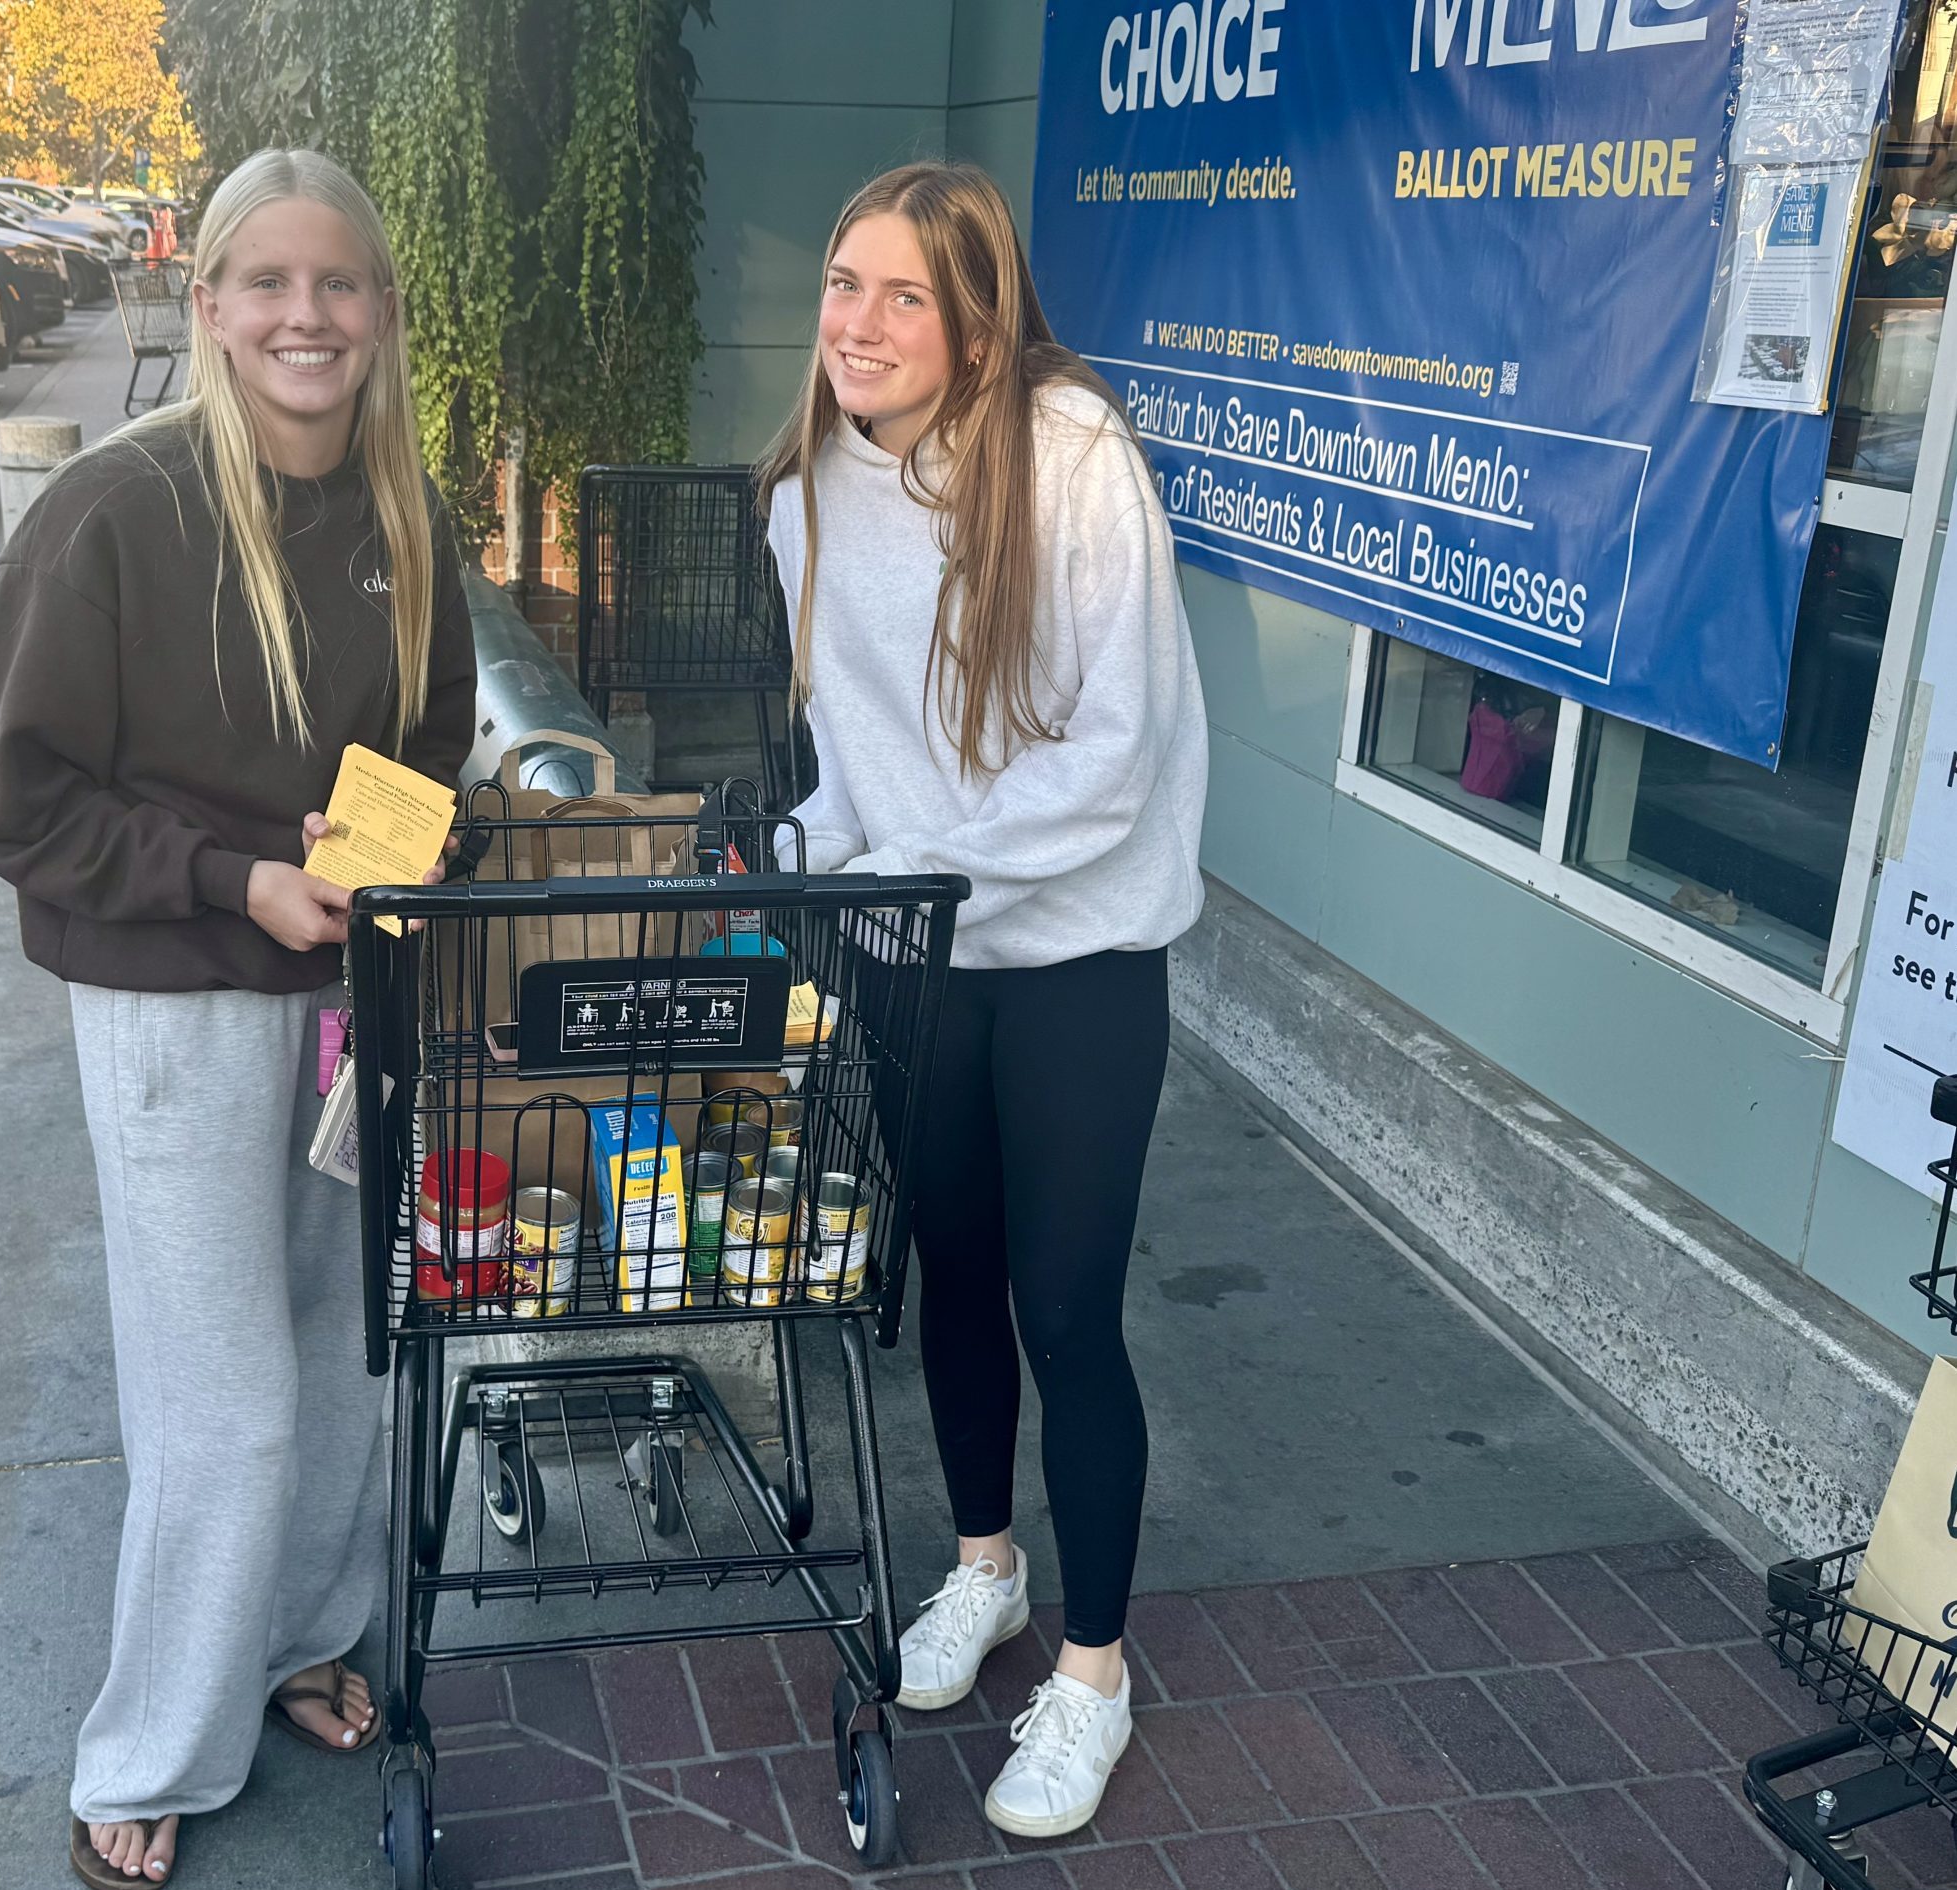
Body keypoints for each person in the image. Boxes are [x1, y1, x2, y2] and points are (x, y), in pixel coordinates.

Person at [0, 148, 476, 1888]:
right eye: (269, 284)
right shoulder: (115, 513)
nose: (305, 317)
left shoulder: (403, 518)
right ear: (208, 305)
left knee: (341, 1358)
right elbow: (19, 806)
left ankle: (300, 1648)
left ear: (381, 313)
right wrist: (231, 877)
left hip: (349, 1001)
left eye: (339, 285)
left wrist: (385, 852)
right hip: (177, 1000)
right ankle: (154, 1737)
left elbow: (430, 751)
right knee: (223, 1401)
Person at [757, 160, 1207, 1838]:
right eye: (839, 286)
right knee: (948, 1276)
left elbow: (1115, 753)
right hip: (911, 955)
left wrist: (912, 872)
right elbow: (855, 763)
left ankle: (1091, 1671)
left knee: (1067, 1312)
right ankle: (982, 1569)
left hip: (1077, 955)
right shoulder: (800, 491)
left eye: (903, 297)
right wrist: (793, 851)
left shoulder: (1072, 454)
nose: (858, 326)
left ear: (975, 323)